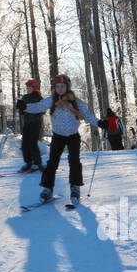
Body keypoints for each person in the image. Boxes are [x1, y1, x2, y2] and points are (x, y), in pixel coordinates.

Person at [25, 73, 100, 203]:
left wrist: (99, 123)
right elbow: (38, 107)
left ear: (68, 87)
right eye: (57, 86)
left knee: (74, 161)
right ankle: (47, 188)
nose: (60, 89)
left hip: (73, 136)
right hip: (58, 137)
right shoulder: (52, 100)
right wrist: (24, 107)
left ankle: (75, 187)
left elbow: (87, 115)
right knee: (52, 162)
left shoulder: (76, 102)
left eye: (63, 86)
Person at [15, 78, 44, 173]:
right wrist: (19, 107)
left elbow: (42, 111)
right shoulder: (25, 97)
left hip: (36, 123)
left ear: (34, 88)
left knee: (32, 143)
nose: (28, 90)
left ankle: (37, 163)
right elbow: (22, 112)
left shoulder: (39, 98)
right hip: (27, 122)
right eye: (27, 88)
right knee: (24, 144)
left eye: (30, 88)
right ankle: (28, 162)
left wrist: (29, 108)